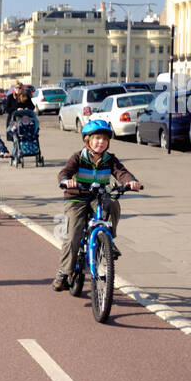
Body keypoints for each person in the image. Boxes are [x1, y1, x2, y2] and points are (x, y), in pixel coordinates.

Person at [52, 118, 142, 291]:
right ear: (88, 140)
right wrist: (66, 180)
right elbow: (65, 172)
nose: (101, 142)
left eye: (104, 139)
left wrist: (131, 181)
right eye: (96, 138)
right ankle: (64, 271)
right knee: (73, 235)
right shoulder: (78, 157)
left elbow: (121, 173)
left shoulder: (110, 159)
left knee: (113, 203)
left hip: (99, 196)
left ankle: (109, 238)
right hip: (76, 198)